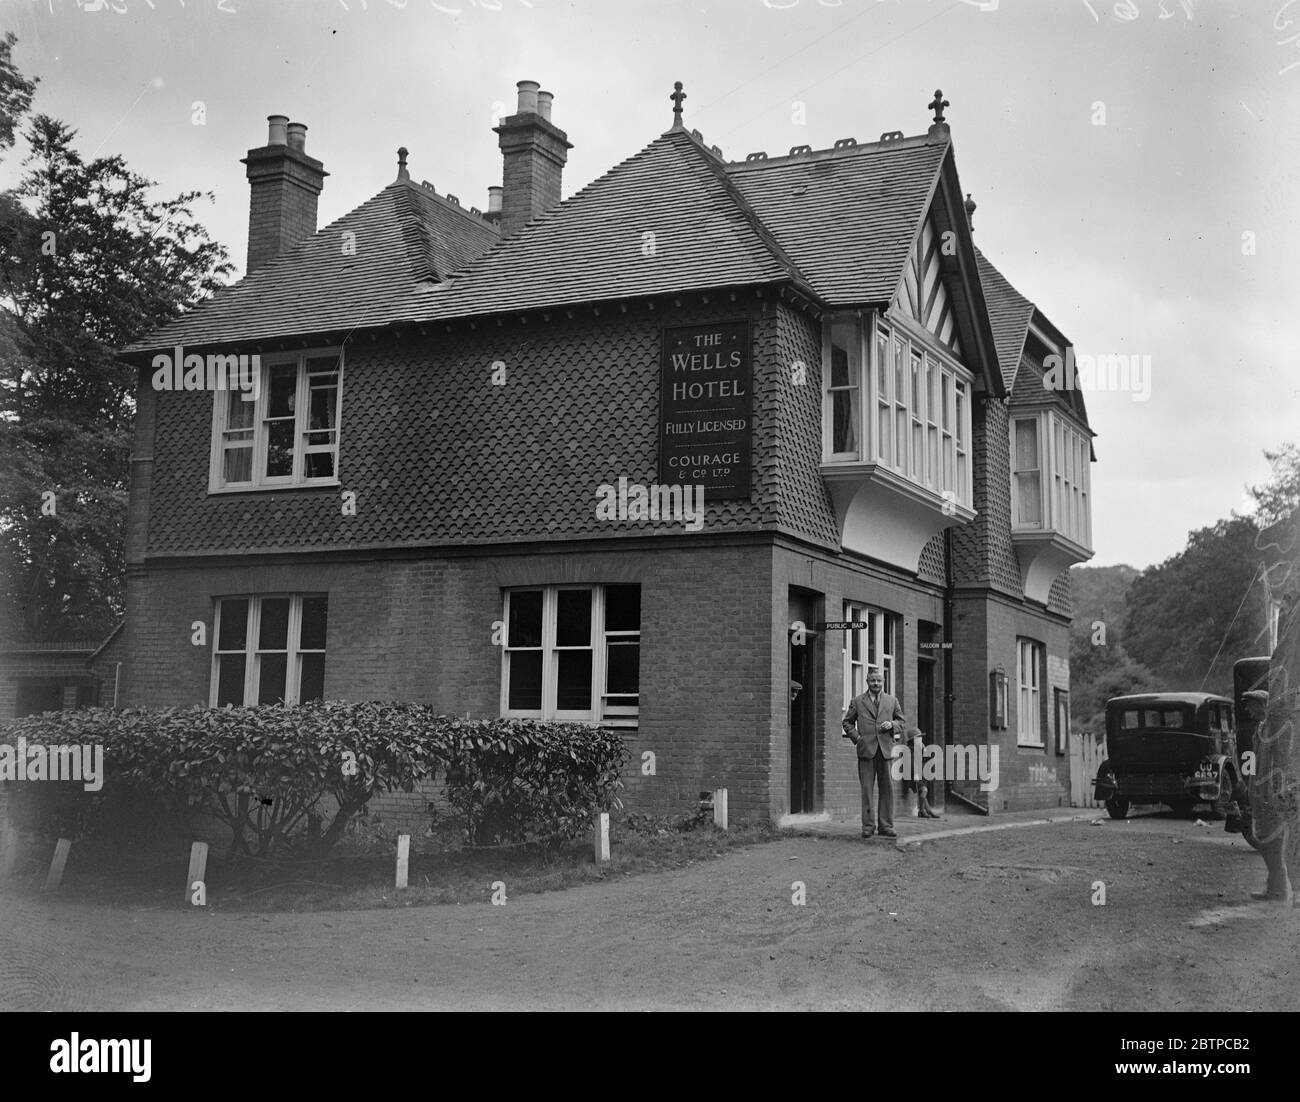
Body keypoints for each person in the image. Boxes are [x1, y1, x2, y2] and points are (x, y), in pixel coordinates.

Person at [842, 669, 905, 838]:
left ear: (883, 681)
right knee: (867, 790)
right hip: (866, 750)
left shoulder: (892, 701)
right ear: (867, 681)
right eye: (872, 681)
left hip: (885, 750)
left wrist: (892, 725)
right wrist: (858, 738)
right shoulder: (857, 701)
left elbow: (901, 721)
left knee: (887, 790)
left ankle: (886, 826)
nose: (876, 684)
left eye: (879, 681)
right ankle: (868, 826)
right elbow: (847, 722)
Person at [902, 726, 942, 819]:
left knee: (922, 790)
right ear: (913, 740)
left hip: (919, 774)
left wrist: (924, 750)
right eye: (918, 737)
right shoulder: (909, 750)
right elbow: (911, 763)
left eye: (920, 737)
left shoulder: (919, 748)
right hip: (911, 775)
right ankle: (921, 811)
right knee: (924, 790)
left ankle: (927, 810)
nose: (920, 739)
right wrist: (915, 773)